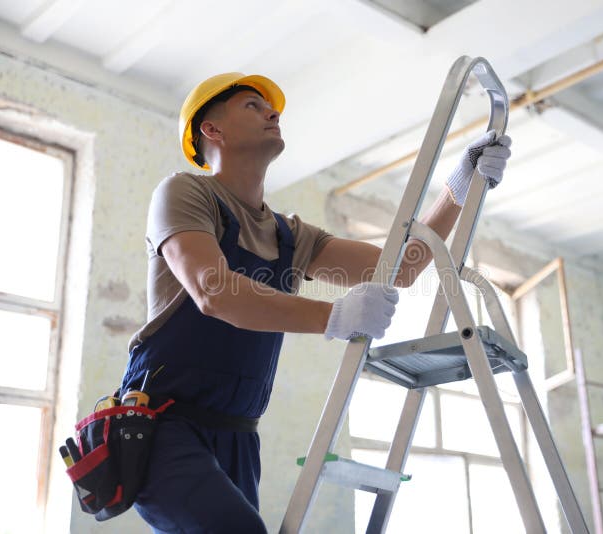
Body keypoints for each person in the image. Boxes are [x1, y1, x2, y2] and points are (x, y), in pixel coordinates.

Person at [120, 72, 511, 533]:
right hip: (163, 423)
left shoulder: (289, 235)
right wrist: (336, 317)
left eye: (272, 109)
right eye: (252, 106)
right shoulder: (186, 193)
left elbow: (399, 268)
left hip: (239, 433)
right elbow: (213, 290)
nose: (272, 113)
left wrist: (458, 189)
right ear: (211, 129)